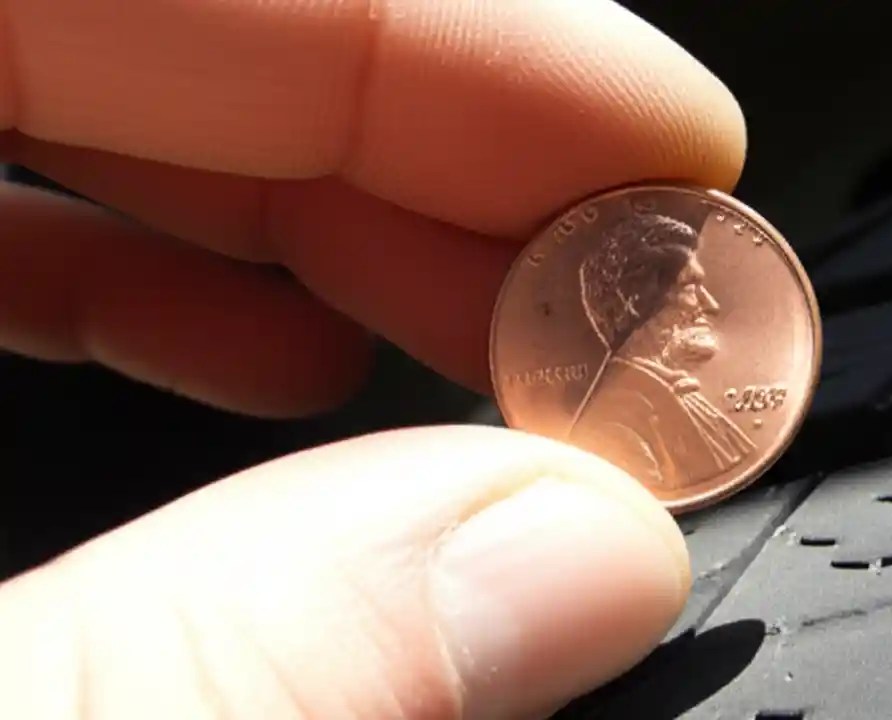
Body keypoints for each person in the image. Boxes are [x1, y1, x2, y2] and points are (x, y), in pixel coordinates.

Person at [0, 1, 746, 718]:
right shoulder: (641, 422)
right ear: (626, 311)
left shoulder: (683, 414)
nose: (711, 311)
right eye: (688, 296)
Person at [571, 212, 756, 491]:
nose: (710, 305)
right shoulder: (615, 424)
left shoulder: (670, 392)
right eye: (690, 287)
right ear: (635, 304)